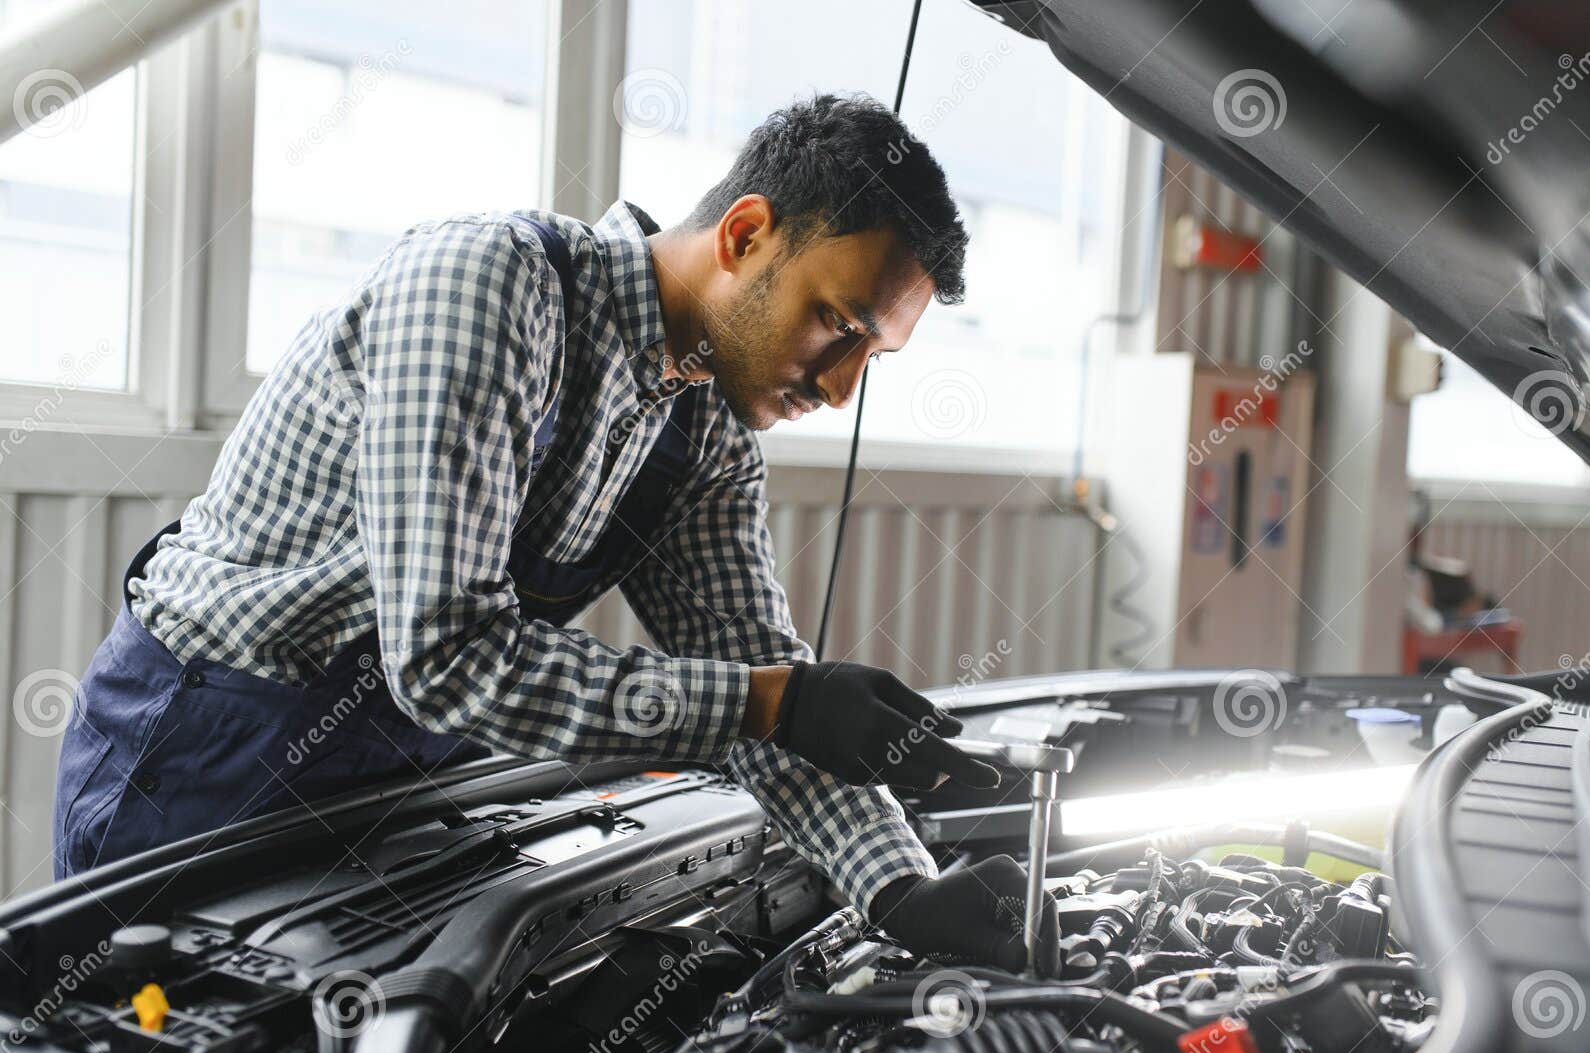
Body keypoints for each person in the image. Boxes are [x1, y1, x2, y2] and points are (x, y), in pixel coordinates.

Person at [53, 94, 1057, 973]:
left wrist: (898, 888)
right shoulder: (488, 283)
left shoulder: (701, 434)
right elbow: (448, 658)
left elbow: (757, 681)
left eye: (869, 359)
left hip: (403, 778)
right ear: (746, 234)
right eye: (837, 324)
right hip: (207, 751)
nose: (839, 389)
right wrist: (778, 702)